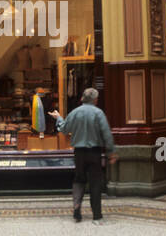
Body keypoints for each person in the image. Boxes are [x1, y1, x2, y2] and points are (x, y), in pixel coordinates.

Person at [50, 88, 116, 222]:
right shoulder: (99, 113)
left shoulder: (75, 112)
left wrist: (59, 118)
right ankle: (97, 215)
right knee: (95, 183)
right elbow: (107, 134)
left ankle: (76, 208)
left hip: (79, 153)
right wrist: (111, 152)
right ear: (95, 100)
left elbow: (64, 129)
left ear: (82, 98)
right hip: (94, 153)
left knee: (79, 180)